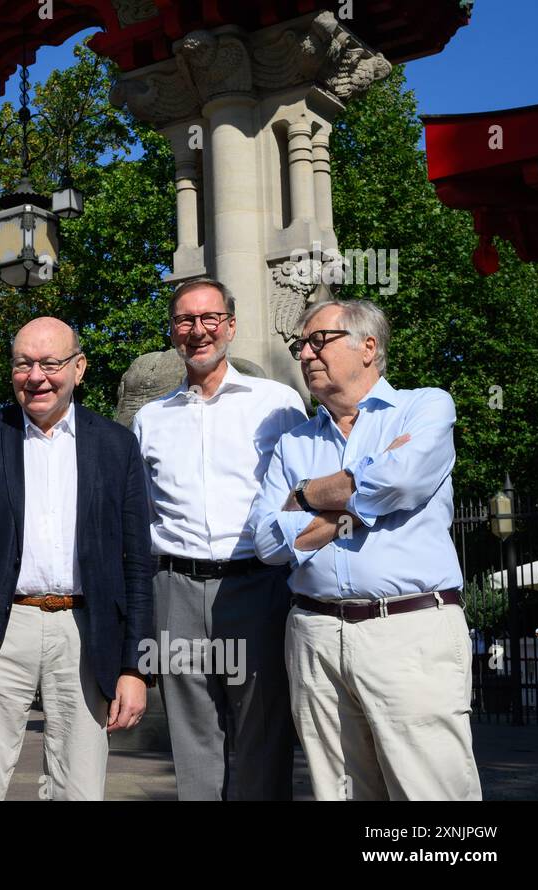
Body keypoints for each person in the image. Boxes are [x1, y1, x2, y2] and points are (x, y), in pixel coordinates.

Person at [248, 298, 481, 801]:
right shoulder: (293, 443)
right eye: (300, 345)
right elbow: (265, 540)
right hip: (314, 632)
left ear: (368, 346)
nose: (306, 354)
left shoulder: (424, 406)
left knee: (430, 790)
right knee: (341, 792)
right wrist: (360, 491)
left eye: (319, 341)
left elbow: (402, 480)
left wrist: (306, 495)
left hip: (407, 630)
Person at [0, 317, 156, 800]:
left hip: (85, 632)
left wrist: (135, 667)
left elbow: (138, 564)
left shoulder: (117, 446)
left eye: (51, 363)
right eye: (24, 363)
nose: (37, 376)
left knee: (79, 788)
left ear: (79, 368)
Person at [131, 278, 306, 800]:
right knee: (191, 738)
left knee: (263, 735)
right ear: (173, 331)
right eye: (185, 320)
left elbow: (299, 497)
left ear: (230, 325)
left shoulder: (278, 403)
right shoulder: (150, 418)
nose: (198, 330)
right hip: (176, 589)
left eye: (210, 318)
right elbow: (142, 513)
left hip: (258, 585)